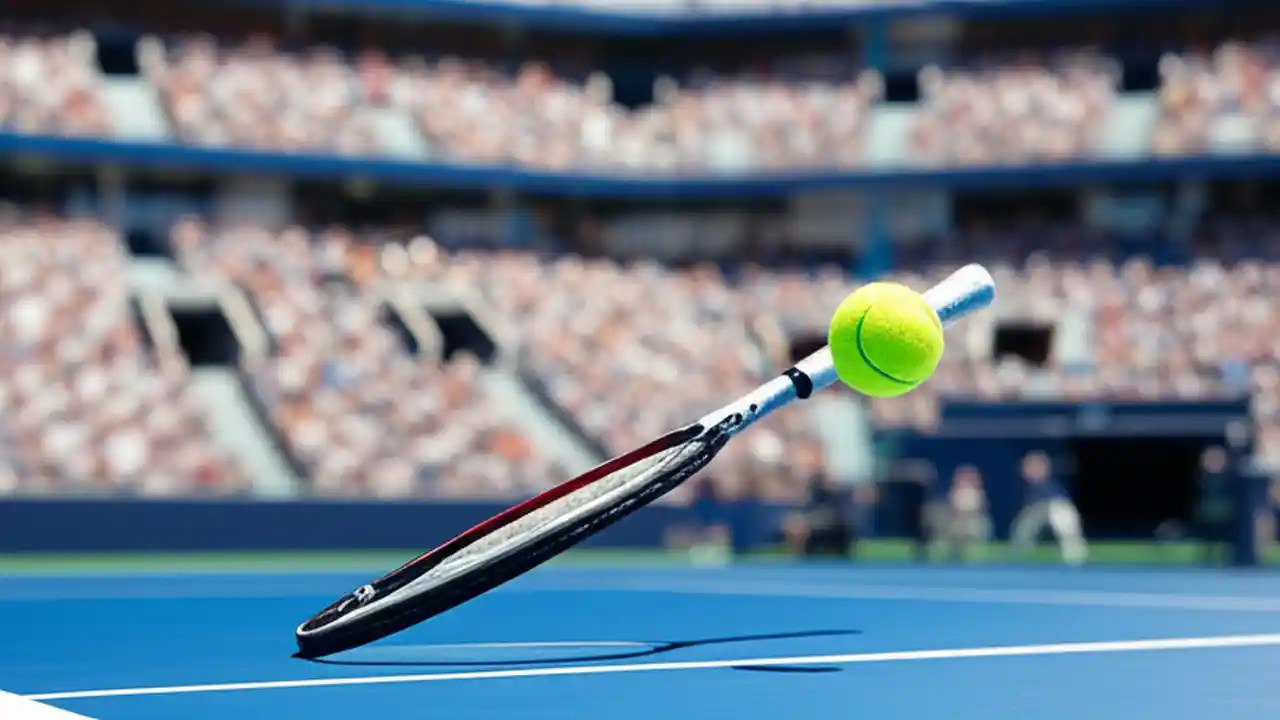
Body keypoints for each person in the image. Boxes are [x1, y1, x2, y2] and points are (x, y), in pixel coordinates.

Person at [1009, 451, 1088, 566]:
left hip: (1058, 505)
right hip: (1036, 507)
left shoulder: (1053, 487)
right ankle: (1016, 561)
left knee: (1068, 531)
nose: (1030, 469)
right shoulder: (1029, 487)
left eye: (1036, 465)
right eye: (1028, 466)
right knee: (1022, 532)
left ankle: (1076, 562)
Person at [782, 474, 853, 558]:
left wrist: (807, 523)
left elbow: (832, 517)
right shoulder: (809, 499)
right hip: (814, 533)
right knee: (796, 527)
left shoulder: (831, 499)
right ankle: (799, 556)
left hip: (835, 533)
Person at [1193, 446, 1235, 565]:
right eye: (1210, 458)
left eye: (1217, 458)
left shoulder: (1230, 478)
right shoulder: (1202, 478)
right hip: (1208, 516)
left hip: (1226, 516)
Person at [941, 465, 991, 562]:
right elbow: (952, 510)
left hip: (975, 520)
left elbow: (982, 510)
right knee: (954, 531)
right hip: (958, 521)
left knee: (976, 528)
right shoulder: (955, 493)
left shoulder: (979, 494)